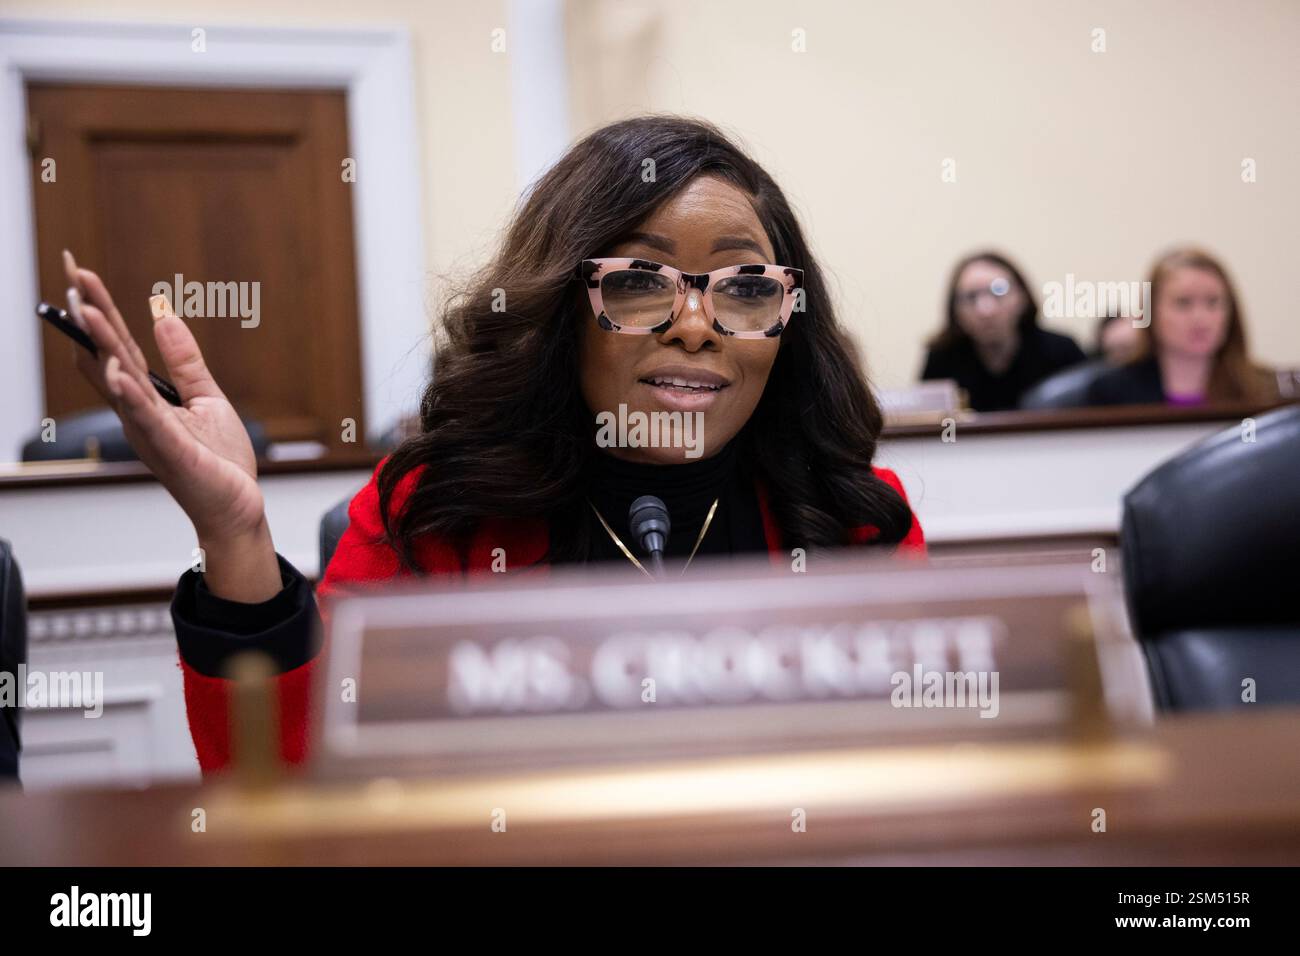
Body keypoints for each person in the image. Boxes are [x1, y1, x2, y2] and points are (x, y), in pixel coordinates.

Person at [64, 116, 925, 774]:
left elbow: (928, 784)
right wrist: (237, 540)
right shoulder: (436, 511)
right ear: (556, 314)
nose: (697, 327)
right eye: (635, 283)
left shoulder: (852, 517)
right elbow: (288, 790)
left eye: (743, 287)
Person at [1085, 248, 1277, 407]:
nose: (1201, 318)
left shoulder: (1266, 387)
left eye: (1213, 302)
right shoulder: (1111, 392)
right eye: (1183, 303)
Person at [920, 252, 1087, 412]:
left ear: (1022, 298)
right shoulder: (942, 360)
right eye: (971, 297)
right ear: (955, 311)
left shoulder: (1061, 352)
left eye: (999, 290)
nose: (986, 310)